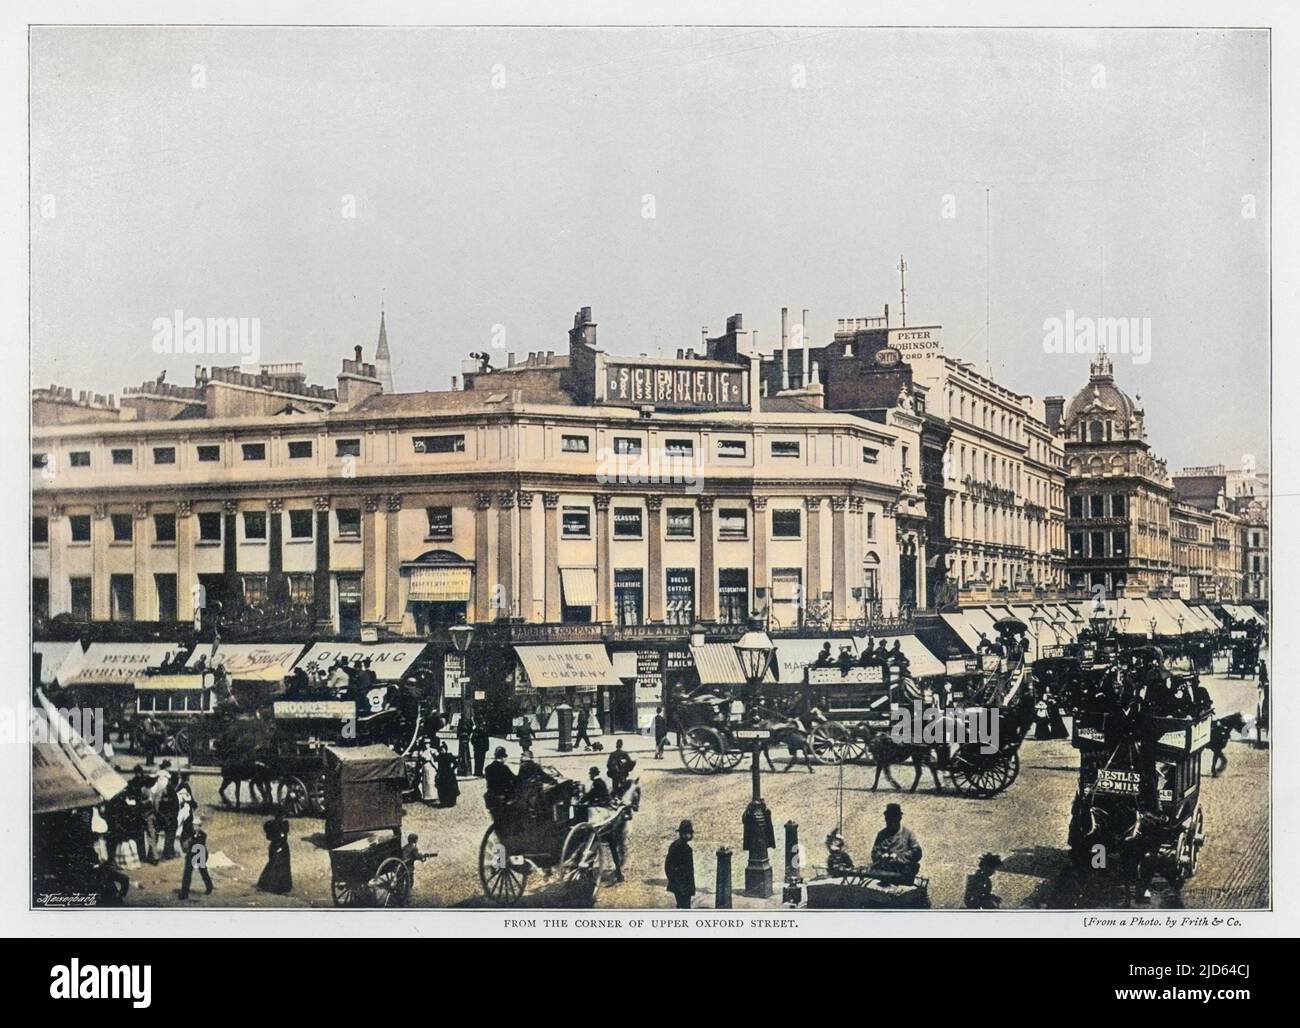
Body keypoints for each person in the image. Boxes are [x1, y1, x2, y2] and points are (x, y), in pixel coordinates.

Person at [869, 803, 922, 885]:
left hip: (902, 872)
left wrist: (898, 857)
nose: (890, 824)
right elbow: (875, 852)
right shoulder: (882, 834)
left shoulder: (908, 834)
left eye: (893, 821)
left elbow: (917, 852)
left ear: (899, 819)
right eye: (888, 821)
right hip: (883, 872)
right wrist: (881, 856)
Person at [256, 807, 292, 894]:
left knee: (273, 864)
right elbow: (282, 836)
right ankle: (280, 886)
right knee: (281, 865)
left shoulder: (271, 824)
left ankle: (268, 884)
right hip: (282, 846)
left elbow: (268, 836)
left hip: (274, 846)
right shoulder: (284, 824)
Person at [665, 820, 695, 909]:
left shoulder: (676, 845)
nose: (688, 835)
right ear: (681, 834)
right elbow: (669, 865)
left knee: (681, 906)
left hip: (680, 885)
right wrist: (675, 879)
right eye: (686, 833)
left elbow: (668, 865)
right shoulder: (682, 847)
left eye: (689, 833)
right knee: (684, 907)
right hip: (682, 885)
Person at [179, 826, 213, 900]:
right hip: (197, 851)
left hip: (196, 851)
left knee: (189, 872)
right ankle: (209, 887)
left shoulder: (196, 833)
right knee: (200, 870)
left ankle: (184, 893)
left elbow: (185, 846)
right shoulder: (198, 833)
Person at [156, 775, 181, 860]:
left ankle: (153, 853)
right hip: (168, 818)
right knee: (171, 832)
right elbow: (175, 807)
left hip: (161, 816)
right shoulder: (172, 792)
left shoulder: (164, 789)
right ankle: (168, 852)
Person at [434, 742, 460, 807]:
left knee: (450, 788)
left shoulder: (449, 756)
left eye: (443, 750)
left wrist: (452, 769)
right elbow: (435, 760)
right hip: (441, 774)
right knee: (441, 788)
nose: (442, 751)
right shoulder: (439, 756)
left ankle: (451, 802)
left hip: (449, 774)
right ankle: (443, 802)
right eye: (441, 750)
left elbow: (456, 763)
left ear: (446, 750)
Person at [416, 737, 438, 802]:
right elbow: (420, 759)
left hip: (431, 766)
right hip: (425, 766)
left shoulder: (433, 750)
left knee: (431, 781)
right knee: (425, 781)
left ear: (430, 744)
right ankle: (426, 796)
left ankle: (433, 796)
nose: (426, 745)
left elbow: (437, 757)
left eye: (428, 743)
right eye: (425, 743)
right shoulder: (422, 752)